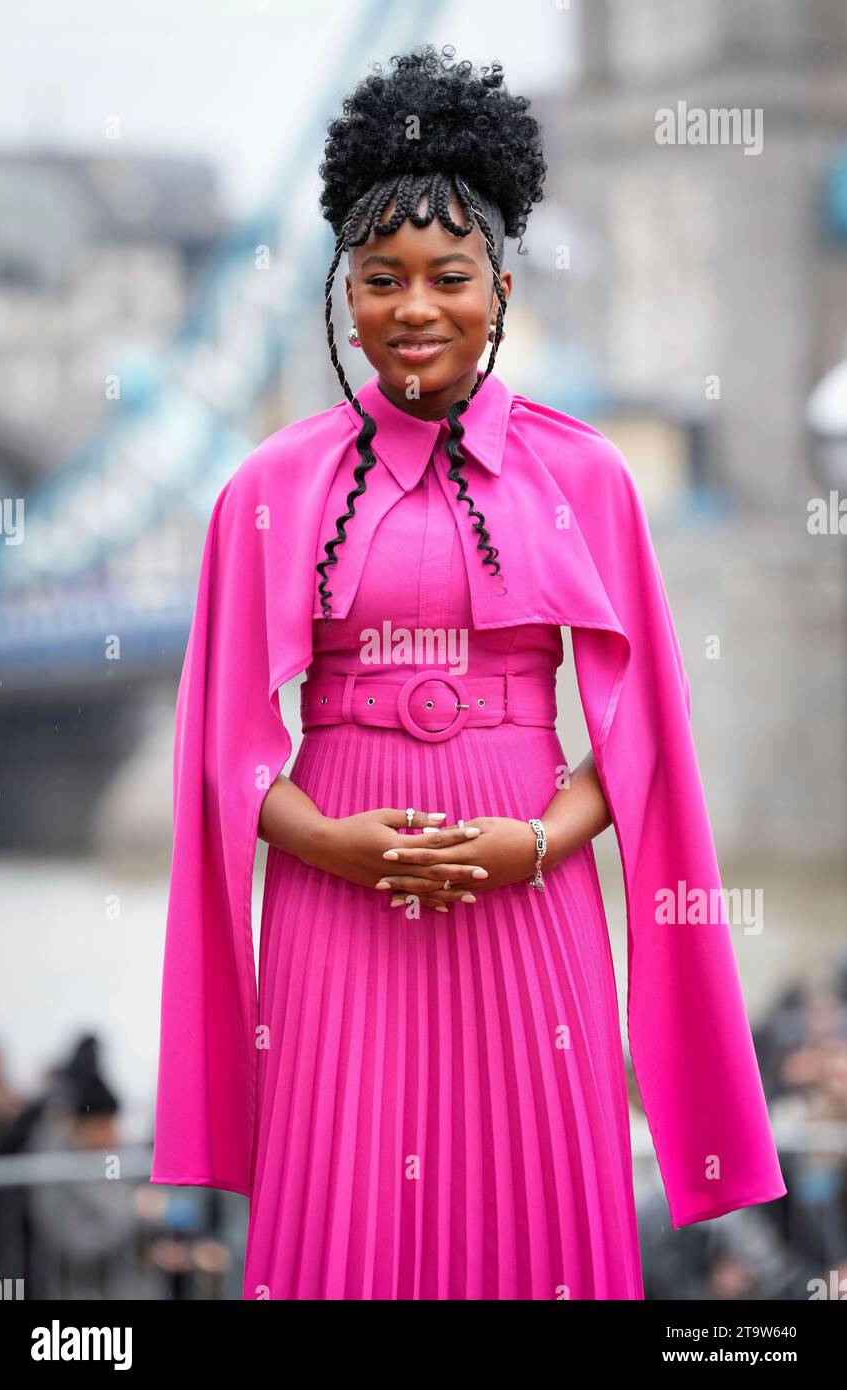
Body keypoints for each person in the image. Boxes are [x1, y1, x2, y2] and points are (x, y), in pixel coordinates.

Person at [150, 43, 786, 1300]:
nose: (415, 306)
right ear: (344, 297)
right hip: (336, 909)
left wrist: (537, 844)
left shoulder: (587, 476)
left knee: (536, 1209)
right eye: (380, 279)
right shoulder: (264, 490)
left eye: (448, 275)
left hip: (528, 894)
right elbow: (221, 756)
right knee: (339, 1220)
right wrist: (330, 845)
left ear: (499, 283)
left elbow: (646, 730)